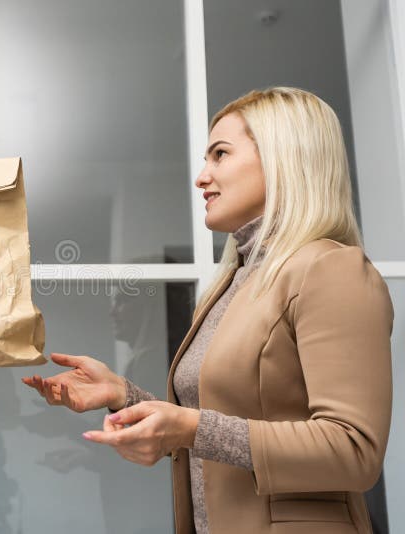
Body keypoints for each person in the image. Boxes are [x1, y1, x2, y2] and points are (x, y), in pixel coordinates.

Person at [24, 87, 393, 534]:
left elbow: (353, 451)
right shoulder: (236, 280)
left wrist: (190, 428)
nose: (201, 177)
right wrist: (126, 396)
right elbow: (224, 419)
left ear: (284, 157)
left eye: (220, 154)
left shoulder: (331, 269)